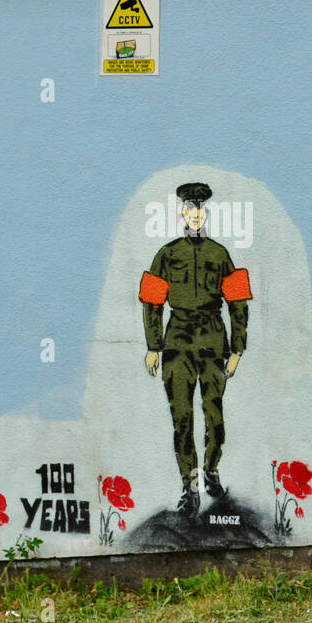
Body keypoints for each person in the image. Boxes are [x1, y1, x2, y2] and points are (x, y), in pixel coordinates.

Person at [138, 182, 252, 521]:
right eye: (190, 208)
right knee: (182, 418)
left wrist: (237, 349)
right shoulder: (167, 254)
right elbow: (152, 303)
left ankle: (211, 469)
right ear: (182, 213)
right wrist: (153, 346)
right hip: (178, 341)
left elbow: (238, 303)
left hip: (213, 338)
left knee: (213, 415)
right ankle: (189, 488)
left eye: (200, 209)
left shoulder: (220, 254)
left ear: (206, 213)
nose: (195, 214)